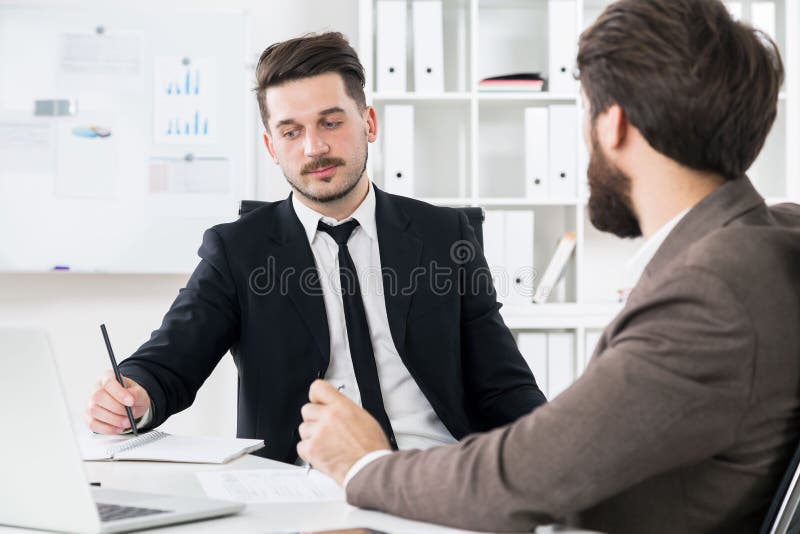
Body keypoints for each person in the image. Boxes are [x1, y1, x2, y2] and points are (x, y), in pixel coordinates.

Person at [296, 1, 800, 532]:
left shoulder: (713, 291)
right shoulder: (771, 239)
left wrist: (365, 463)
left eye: (582, 112)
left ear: (614, 126)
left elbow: (512, 482)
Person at [84, 32, 547, 463]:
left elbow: (504, 387)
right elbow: (170, 361)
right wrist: (133, 395)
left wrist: (548, 459)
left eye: (330, 122)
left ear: (368, 122)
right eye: (291, 131)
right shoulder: (238, 250)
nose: (314, 147)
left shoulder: (445, 236)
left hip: (433, 472)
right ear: (271, 146)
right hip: (303, 484)